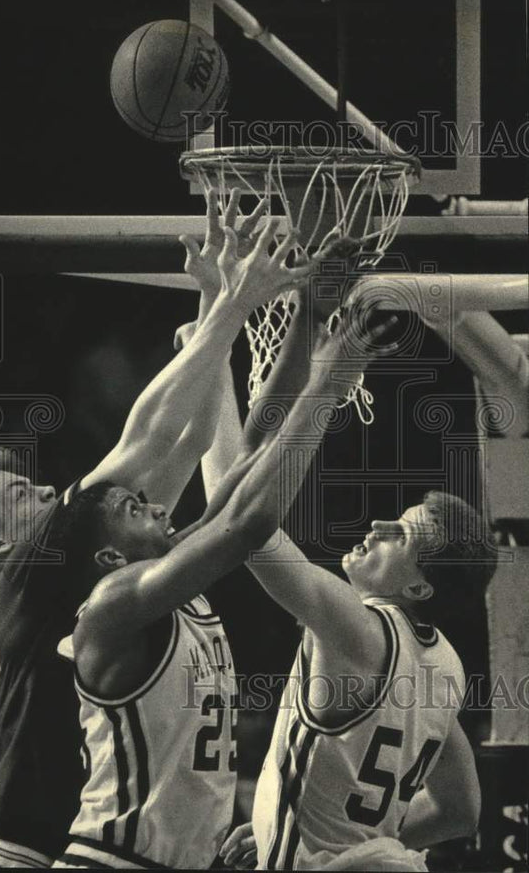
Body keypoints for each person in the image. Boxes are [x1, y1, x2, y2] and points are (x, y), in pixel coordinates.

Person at [0, 193, 306, 868]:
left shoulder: (96, 563)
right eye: (21, 494)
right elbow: (149, 438)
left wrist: (212, 306)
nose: (47, 490)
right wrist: (230, 305)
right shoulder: (17, 581)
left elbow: (187, 446)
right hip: (17, 853)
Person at [48, 267, 393, 869]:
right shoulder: (112, 605)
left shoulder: (169, 575)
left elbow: (252, 457)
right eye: (133, 509)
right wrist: (327, 385)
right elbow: (246, 526)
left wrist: (309, 321)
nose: (156, 504)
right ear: (107, 557)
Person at [200, 290, 495, 871]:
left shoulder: (358, 629)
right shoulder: (449, 669)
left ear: (418, 588)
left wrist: (211, 369)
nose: (380, 523)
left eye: (402, 536)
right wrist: (350, 843)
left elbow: (237, 526)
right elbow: (463, 811)